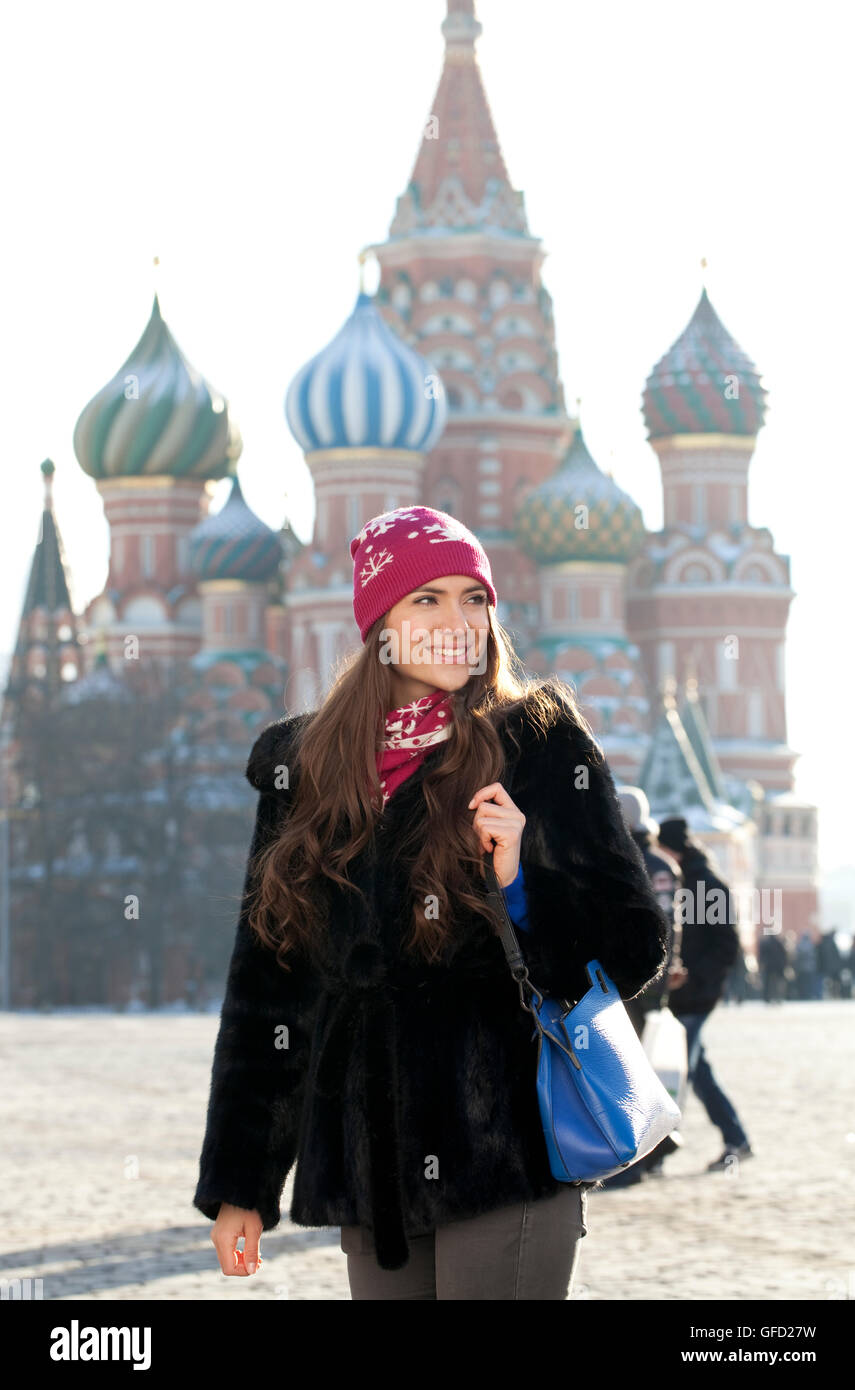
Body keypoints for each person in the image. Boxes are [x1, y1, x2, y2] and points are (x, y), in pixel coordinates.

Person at [192, 506, 670, 1300]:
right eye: (428, 600)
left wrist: (520, 880)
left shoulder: (539, 745)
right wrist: (241, 1183)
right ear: (380, 620)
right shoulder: (306, 770)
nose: (459, 623)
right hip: (367, 1167)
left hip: (505, 1151)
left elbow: (634, 942)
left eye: (474, 599)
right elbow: (268, 991)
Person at [654, 817, 754, 1173]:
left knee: (678, 1071)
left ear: (672, 849)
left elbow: (726, 945)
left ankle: (658, 1149)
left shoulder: (707, 885)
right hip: (682, 995)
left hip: (696, 996)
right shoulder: (679, 880)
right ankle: (736, 1139)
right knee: (695, 1070)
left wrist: (693, 979)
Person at [602, 787, 686, 1186]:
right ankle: (659, 1141)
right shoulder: (662, 864)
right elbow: (672, 927)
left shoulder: (615, 857)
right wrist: (666, 972)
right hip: (650, 981)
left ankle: (636, 1158)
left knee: (624, 1074)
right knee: (640, 1069)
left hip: (620, 983)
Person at [758, 931, 789, 1004]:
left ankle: (767, 998)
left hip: (768, 966)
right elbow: (784, 955)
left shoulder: (764, 943)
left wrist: (761, 964)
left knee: (767, 983)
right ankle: (778, 998)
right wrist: (784, 965)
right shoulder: (779, 943)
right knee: (777, 983)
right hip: (778, 967)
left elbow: (761, 955)